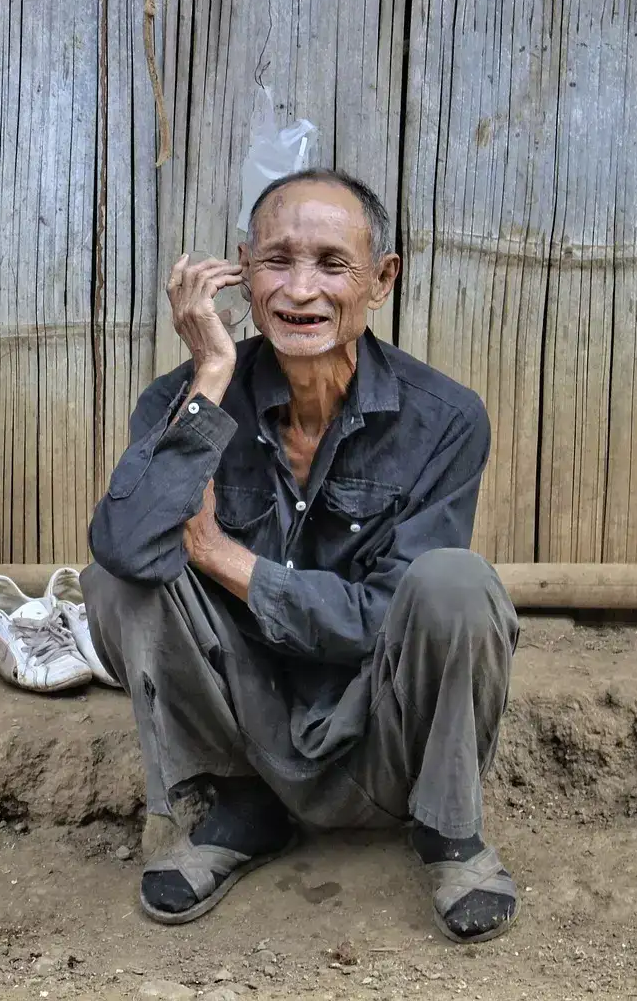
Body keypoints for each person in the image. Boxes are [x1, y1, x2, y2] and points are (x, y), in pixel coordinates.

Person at [83, 169, 519, 942]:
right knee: (123, 582)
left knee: (459, 583)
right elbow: (124, 549)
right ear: (243, 271)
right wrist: (212, 372)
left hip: (382, 727)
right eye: (277, 261)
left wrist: (224, 558)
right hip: (244, 716)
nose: (300, 290)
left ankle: (448, 829)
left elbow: (385, 617)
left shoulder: (445, 419)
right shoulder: (184, 398)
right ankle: (240, 807)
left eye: (331, 264)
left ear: (382, 280)